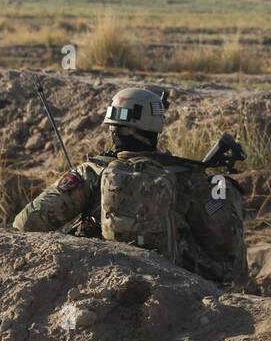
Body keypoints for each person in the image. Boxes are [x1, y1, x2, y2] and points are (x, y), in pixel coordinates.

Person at [13, 87, 248, 286]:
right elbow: (226, 245)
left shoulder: (91, 173)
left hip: (101, 280)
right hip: (175, 287)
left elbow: (26, 223)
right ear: (156, 126)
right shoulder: (186, 179)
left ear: (111, 126)